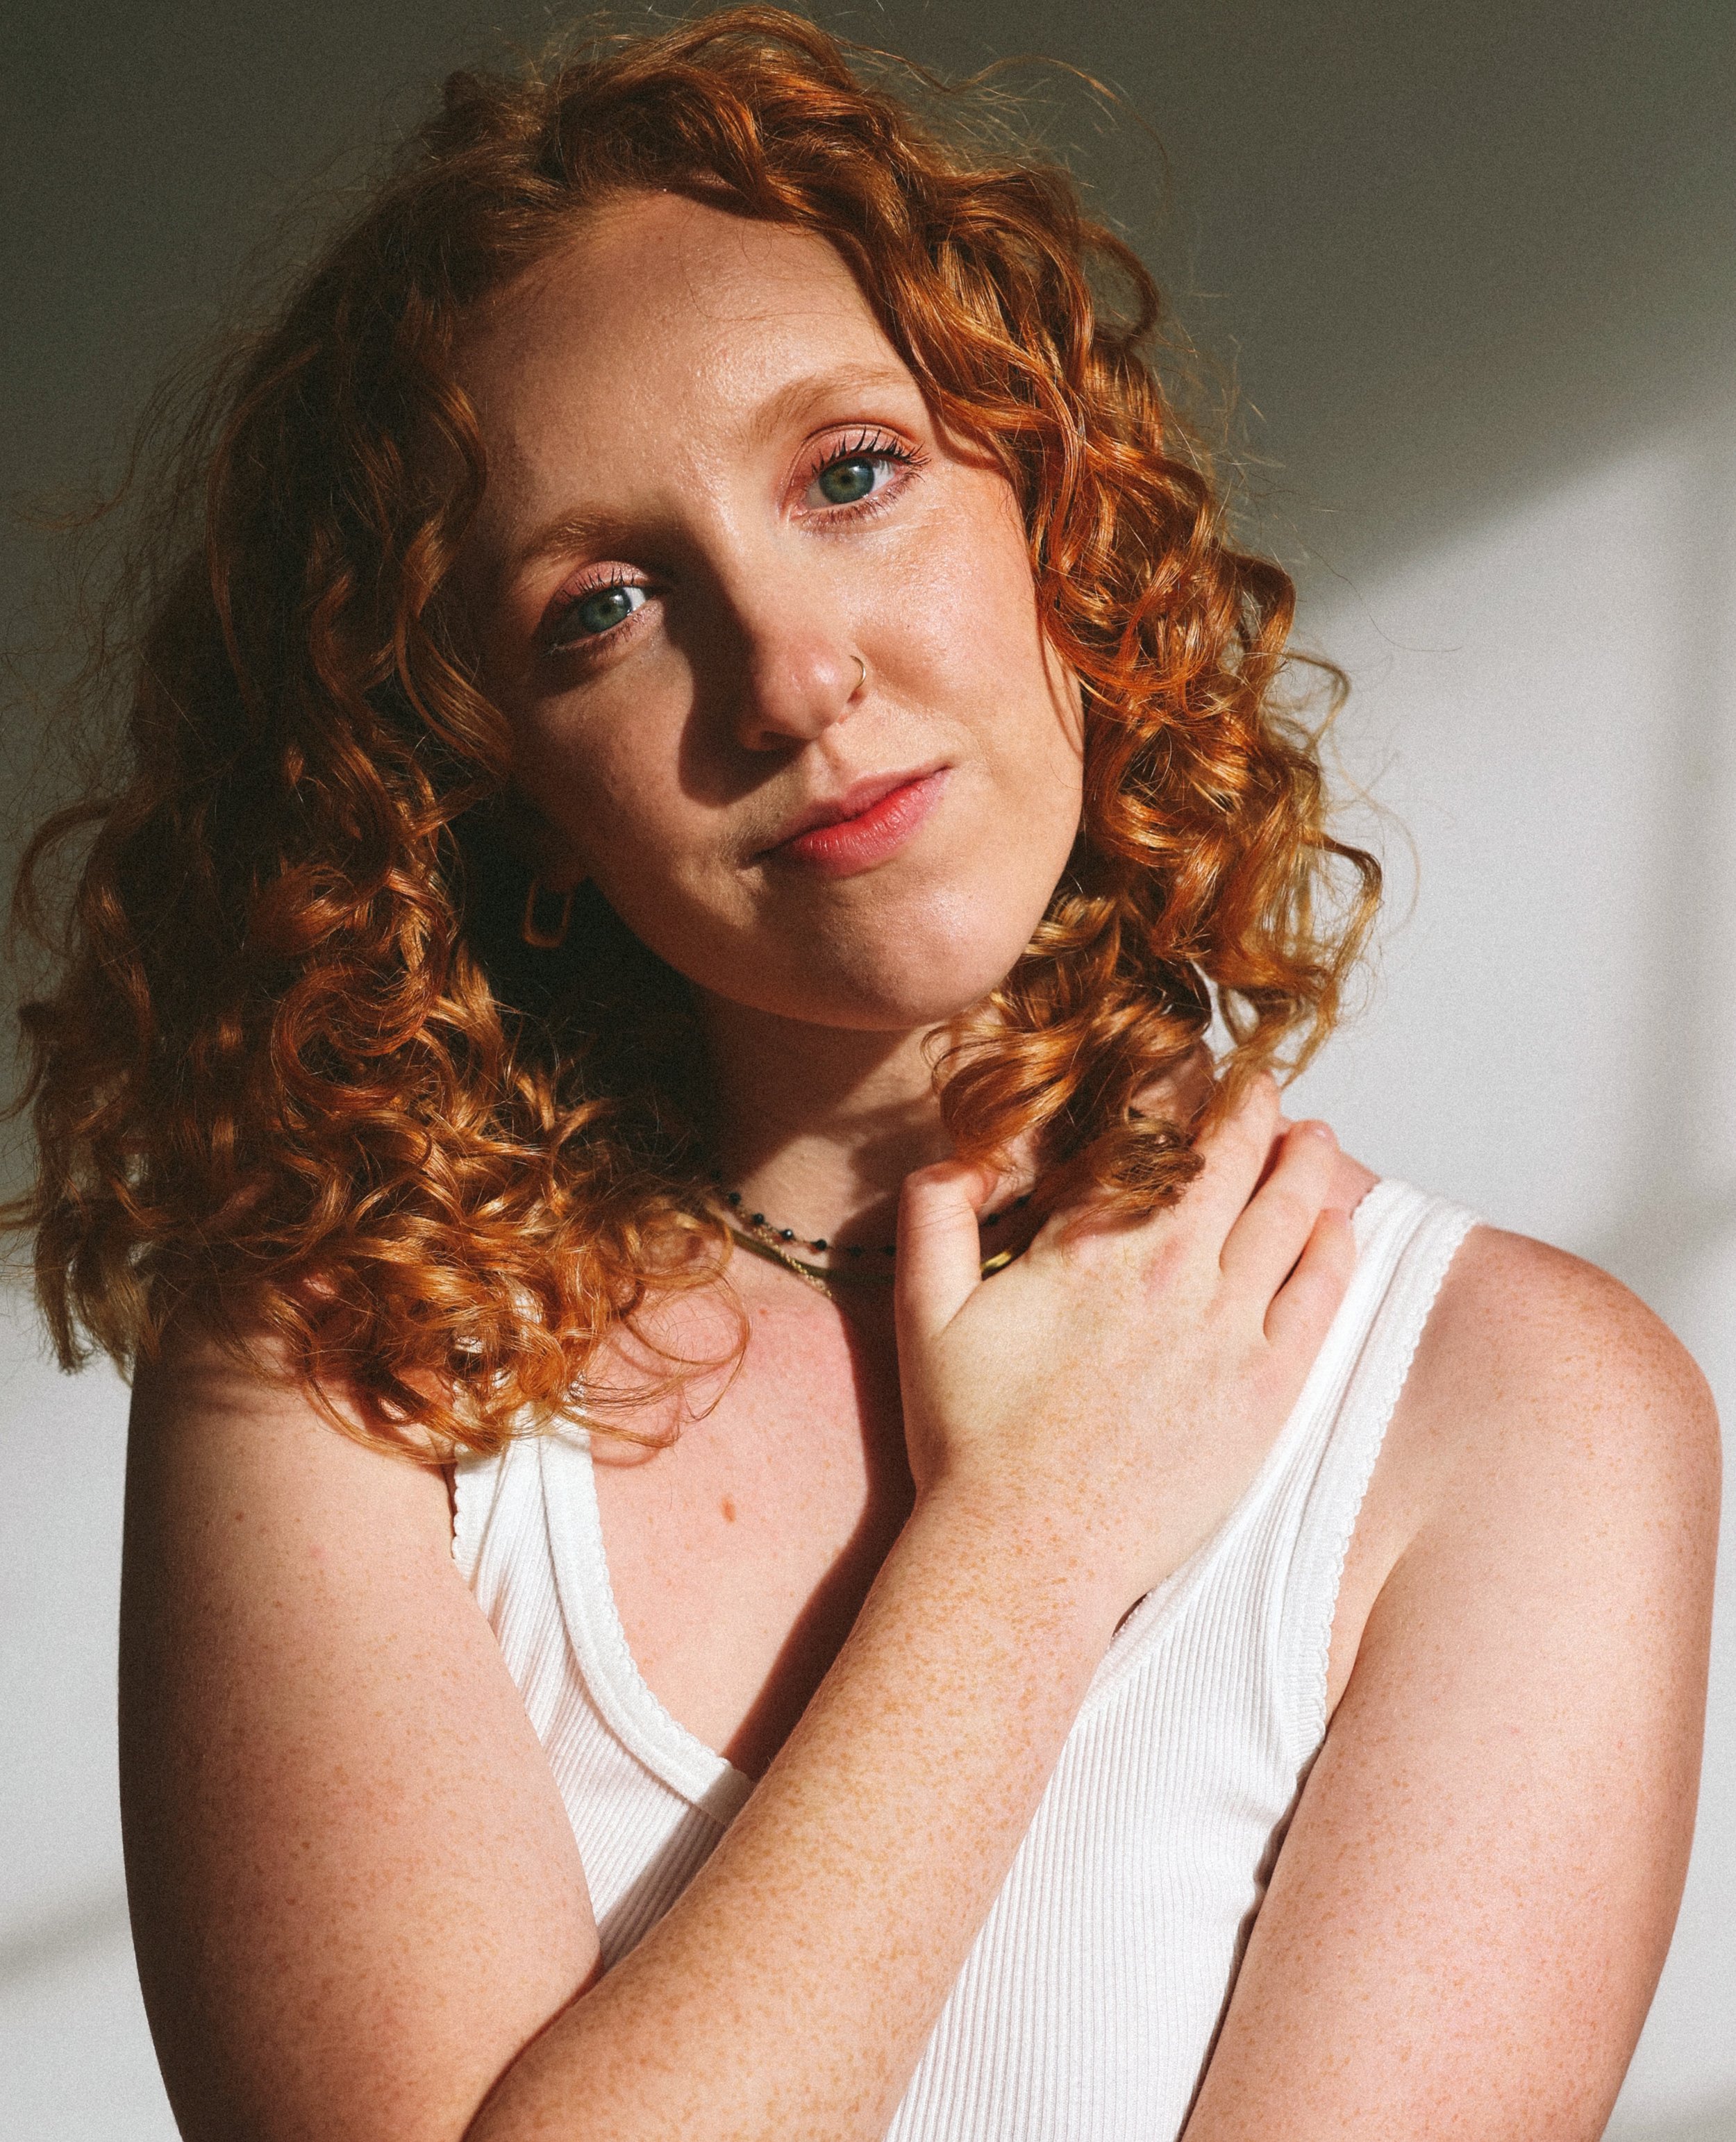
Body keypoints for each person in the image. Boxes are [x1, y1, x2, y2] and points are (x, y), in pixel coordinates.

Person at [8, 10, 1716, 2139]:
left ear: (1053, 517)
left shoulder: (1513, 1412)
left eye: (851, 473)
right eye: (604, 605)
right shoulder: (340, 1375)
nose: (794, 674)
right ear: (486, 788)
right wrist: (1026, 1539)